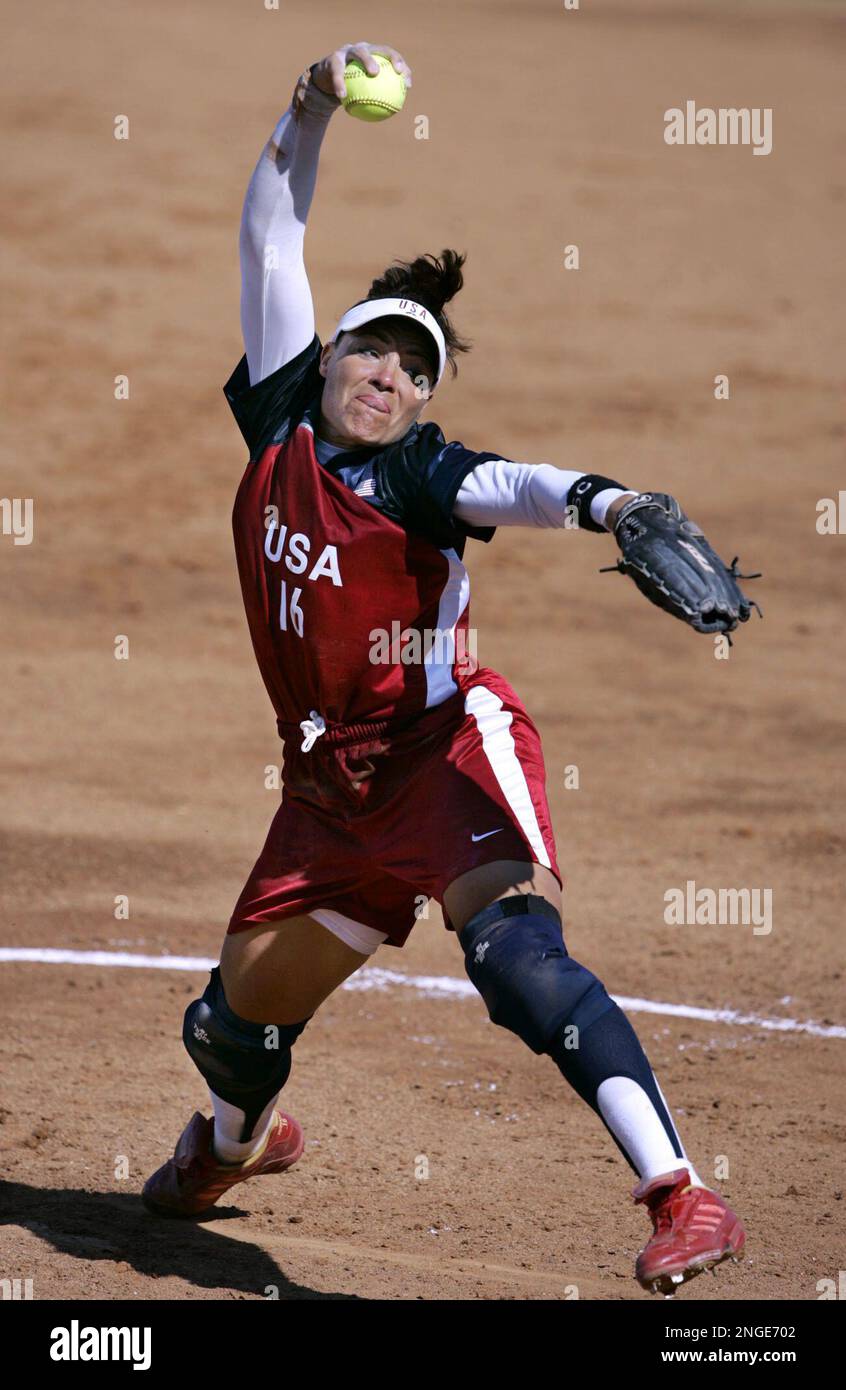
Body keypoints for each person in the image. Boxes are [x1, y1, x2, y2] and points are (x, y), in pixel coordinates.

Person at [143, 40, 750, 1297]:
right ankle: (232, 1144)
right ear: (325, 357)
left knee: (516, 962)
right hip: (327, 794)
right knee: (232, 1021)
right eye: (371, 349)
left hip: (445, 756)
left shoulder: (422, 476)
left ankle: (685, 1195)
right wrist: (308, 99)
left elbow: (511, 484)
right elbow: (272, 230)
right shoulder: (279, 417)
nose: (388, 375)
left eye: (414, 370)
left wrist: (610, 502)